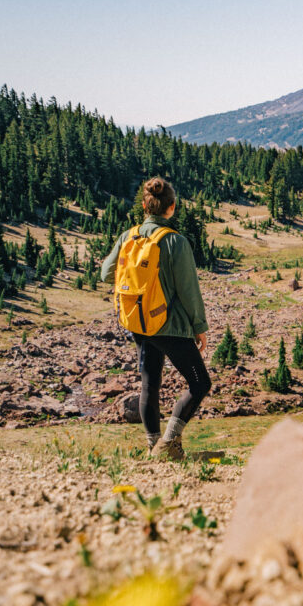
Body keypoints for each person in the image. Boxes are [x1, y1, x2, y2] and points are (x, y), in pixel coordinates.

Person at [101, 176, 211, 460]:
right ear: (172, 207)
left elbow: (105, 273)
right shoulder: (175, 242)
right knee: (200, 383)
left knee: (150, 382)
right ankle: (169, 443)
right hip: (169, 325)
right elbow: (189, 292)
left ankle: (153, 446)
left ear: (144, 206)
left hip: (138, 323)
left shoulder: (129, 236)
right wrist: (199, 328)